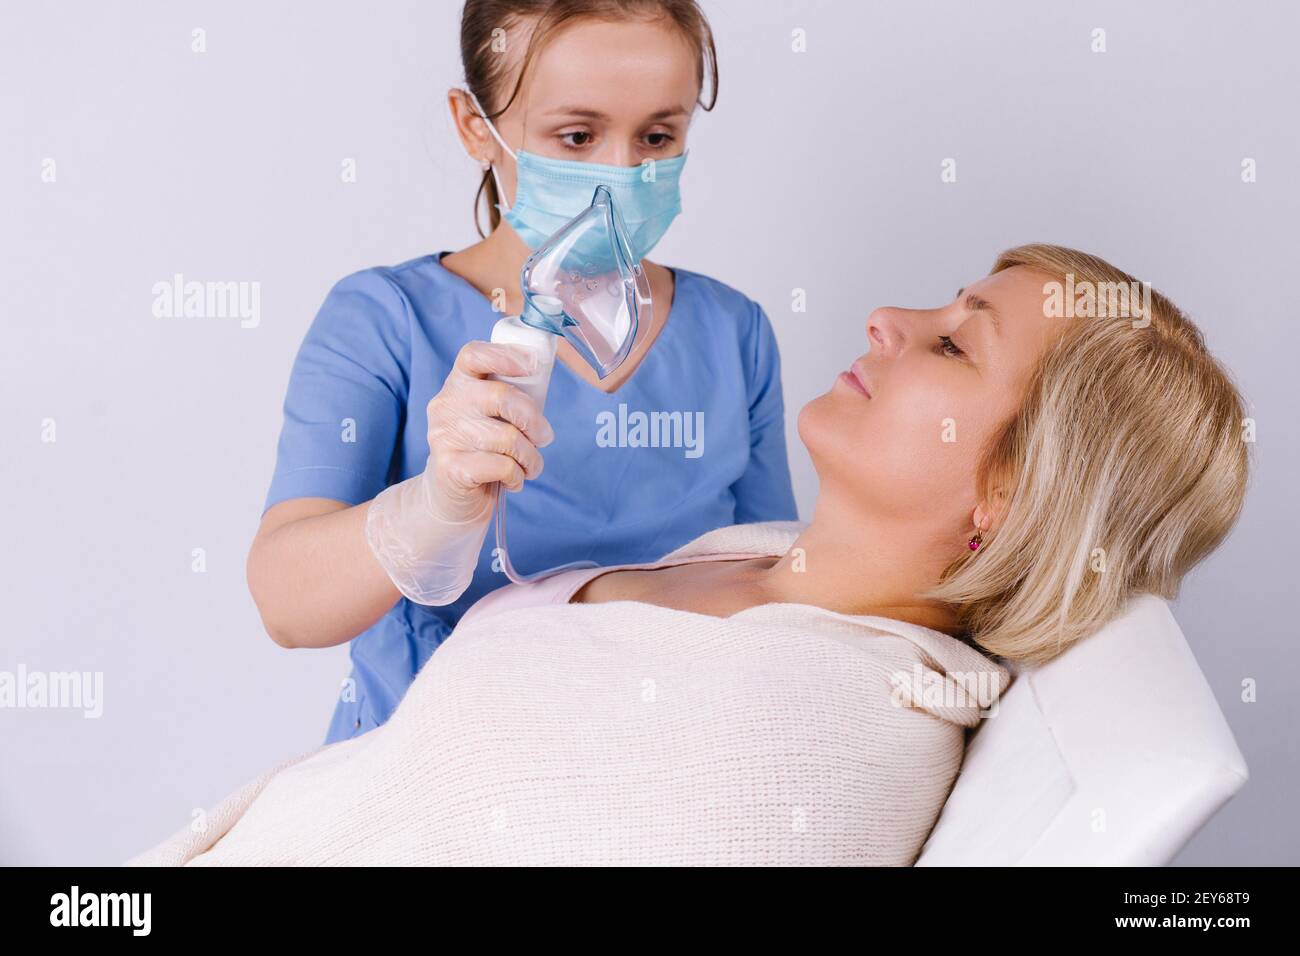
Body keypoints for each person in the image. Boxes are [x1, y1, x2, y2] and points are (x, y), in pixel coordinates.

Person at [131, 244, 1251, 866]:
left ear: (1009, 500)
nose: (884, 316)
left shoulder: (791, 755)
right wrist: (432, 505)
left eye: (953, 341)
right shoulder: (769, 555)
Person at [246, 0, 799, 744]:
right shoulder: (384, 319)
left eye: (658, 136)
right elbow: (285, 605)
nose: (622, 175)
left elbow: (777, 585)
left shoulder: (734, 334)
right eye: (576, 135)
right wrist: (432, 507)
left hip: (665, 771)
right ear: (477, 128)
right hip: (426, 786)